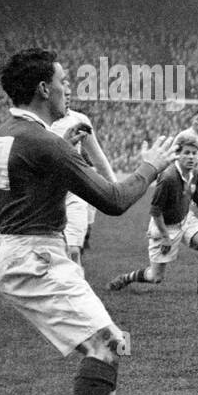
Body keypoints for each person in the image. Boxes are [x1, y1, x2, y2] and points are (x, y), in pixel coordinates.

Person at [0, 48, 176, 395]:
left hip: (25, 250)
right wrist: (151, 166)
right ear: (42, 89)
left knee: (110, 339)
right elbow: (113, 201)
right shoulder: (44, 143)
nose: (67, 87)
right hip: (35, 258)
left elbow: (29, 181)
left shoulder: (8, 132)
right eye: (62, 80)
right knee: (107, 344)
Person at [107, 132, 198, 295]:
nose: (191, 157)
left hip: (185, 219)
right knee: (155, 277)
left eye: (194, 153)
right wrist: (165, 237)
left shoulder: (194, 174)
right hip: (164, 226)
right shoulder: (168, 177)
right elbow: (155, 212)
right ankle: (127, 278)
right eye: (187, 153)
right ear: (177, 155)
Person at [49, 106, 115, 274]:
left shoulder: (80, 120)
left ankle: (77, 289)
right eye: (64, 91)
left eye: (69, 92)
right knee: (51, 251)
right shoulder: (39, 121)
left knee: (73, 251)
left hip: (74, 192)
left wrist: (115, 186)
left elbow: (98, 157)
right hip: (48, 193)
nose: (67, 96)